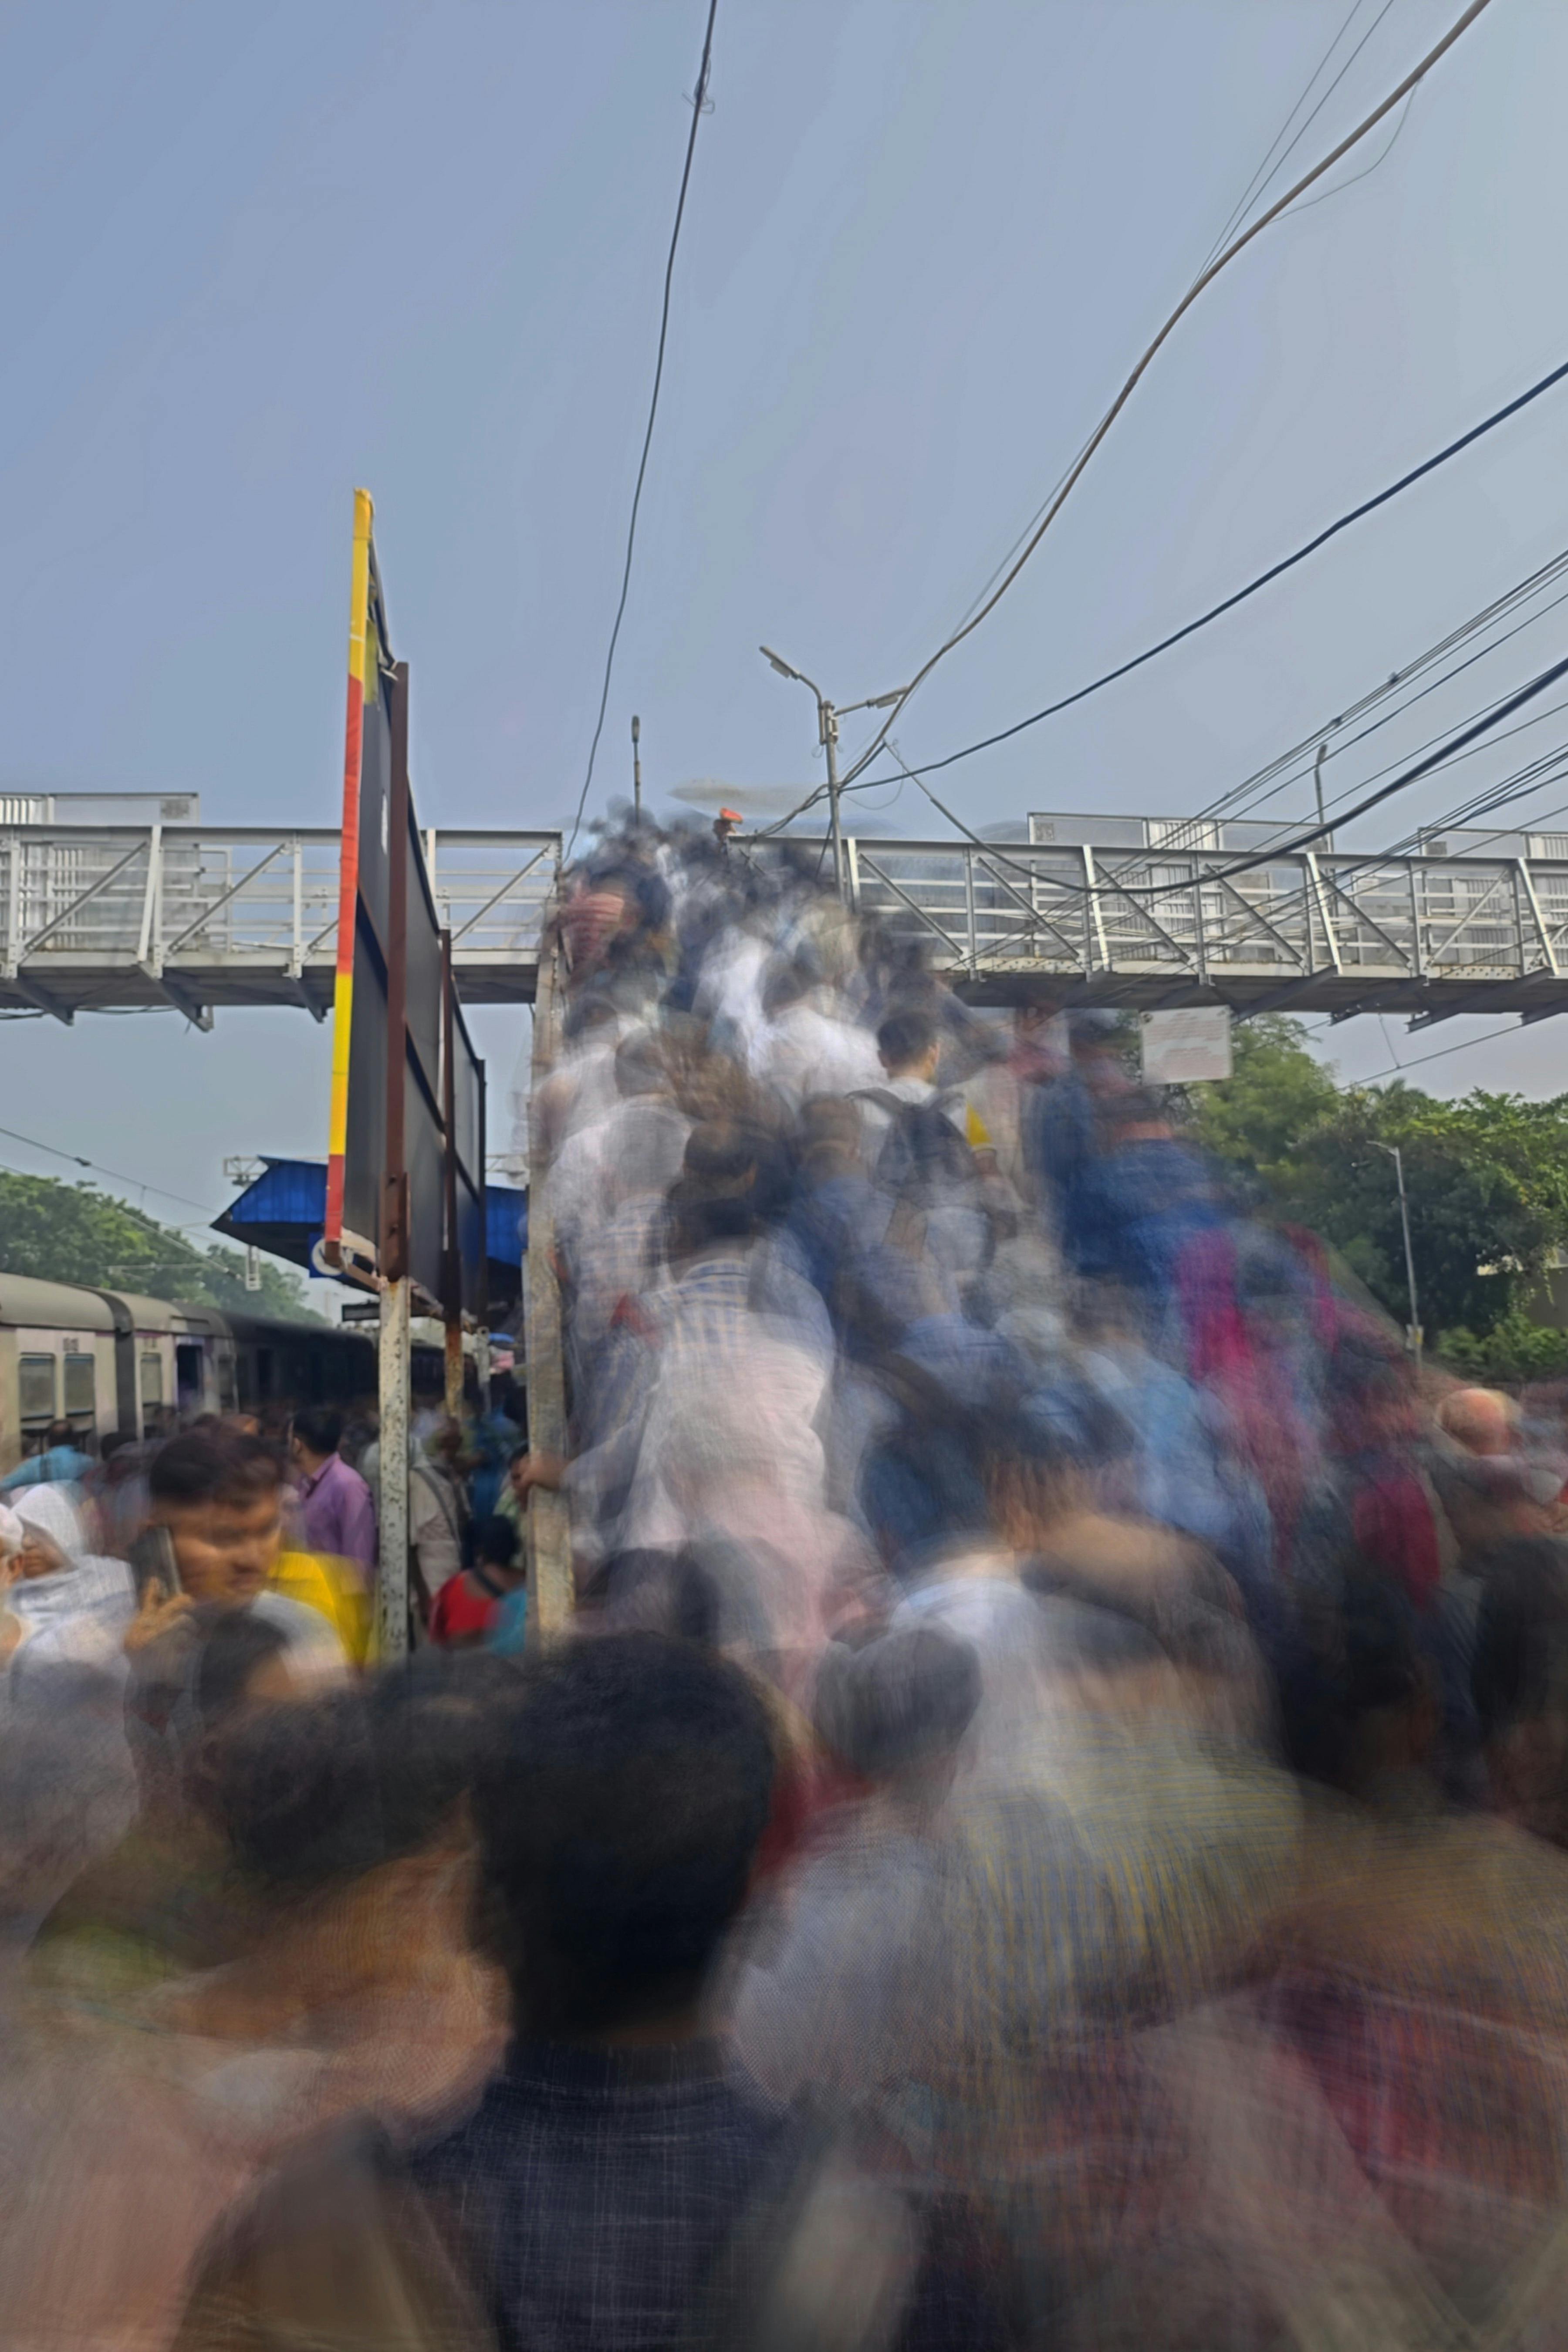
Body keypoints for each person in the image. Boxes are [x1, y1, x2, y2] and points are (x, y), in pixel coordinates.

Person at [133, 1429, 350, 1675]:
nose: (253, 1561)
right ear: (155, 1537)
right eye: (223, 1538)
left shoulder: (302, 1633)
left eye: (267, 1530)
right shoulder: (102, 1649)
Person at [288, 1406, 377, 1585]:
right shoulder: (306, 1483)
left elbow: (359, 1563)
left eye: (288, 1440)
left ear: (297, 1445)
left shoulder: (348, 1484)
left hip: (336, 1596)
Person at [428, 1514, 526, 1651]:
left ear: (480, 1548)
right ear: (516, 1546)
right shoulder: (532, 1587)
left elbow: (436, 1639)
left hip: (464, 1663)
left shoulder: (452, 1587)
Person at [2, 1417, 93, 1492]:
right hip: (78, 1509)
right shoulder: (88, 1463)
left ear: (49, 1441)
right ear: (75, 1439)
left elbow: (4, 1485)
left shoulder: (34, 1465)